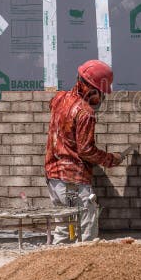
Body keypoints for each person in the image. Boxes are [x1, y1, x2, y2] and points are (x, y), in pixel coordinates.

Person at [45, 59, 122, 244]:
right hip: (73, 180)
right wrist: (111, 159)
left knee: (64, 226)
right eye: (100, 92)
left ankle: (54, 268)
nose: (101, 97)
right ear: (89, 88)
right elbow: (86, 150)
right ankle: (83, 269)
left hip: (54, 176)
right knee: (86, 231)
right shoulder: (85, 112)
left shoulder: (59, 98)